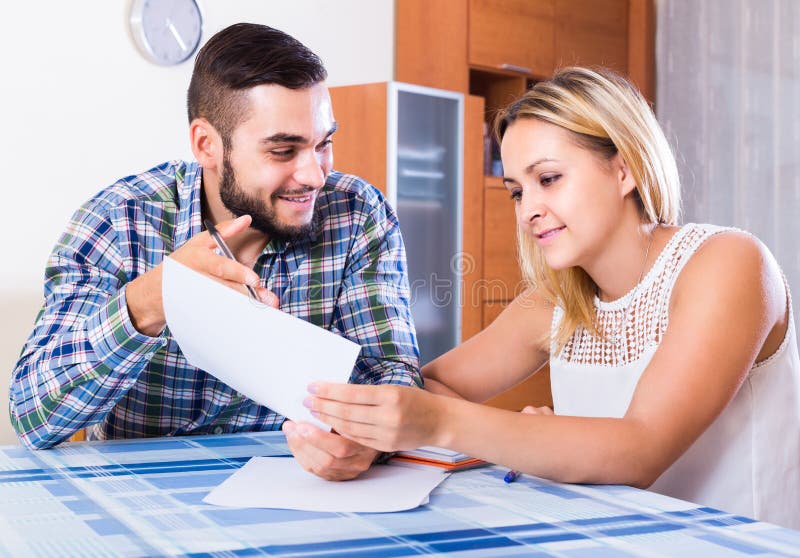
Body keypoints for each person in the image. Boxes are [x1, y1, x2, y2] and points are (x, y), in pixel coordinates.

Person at [304, 67, 800, 527]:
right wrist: (543, 440)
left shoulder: (729, 263)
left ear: (624, 170)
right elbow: (423, 388)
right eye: (517, 191)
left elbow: (640, 451)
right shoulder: (555, 300)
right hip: (617, 539)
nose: (529, 211)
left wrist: (455, 426)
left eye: (549, 179)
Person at [9, 23, 420, 481]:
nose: (315, 175)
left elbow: (391, 371)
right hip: (143, 496)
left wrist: (366, 439)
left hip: (299, 490)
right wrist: (149, 301)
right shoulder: (119, 220)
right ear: (207, 145)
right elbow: (33, 419)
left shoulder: (359, 214)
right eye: (283, 150)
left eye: (324, 144)